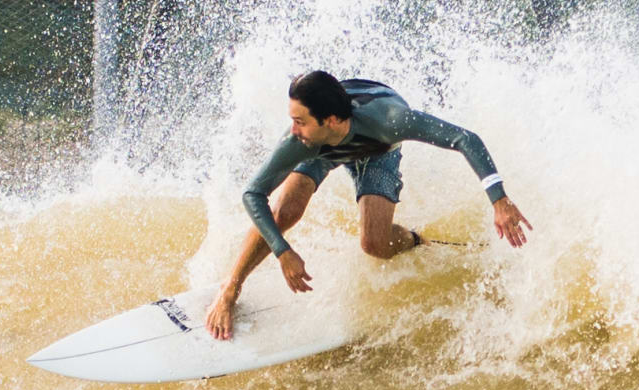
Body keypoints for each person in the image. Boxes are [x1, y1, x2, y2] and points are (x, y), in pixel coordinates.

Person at [205, 69, 530, 340]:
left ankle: (416, 239)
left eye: (300, 120)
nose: (292, 129)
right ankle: (230, 288)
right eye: (293, 119)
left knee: (375, 244)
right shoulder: (302, 139)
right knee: (283, 213)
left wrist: (499, 199)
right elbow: (253, 193)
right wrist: (283, 251)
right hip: (323, 148)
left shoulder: (391, 121)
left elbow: (464, 139)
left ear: (331, 119)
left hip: (378, 151)